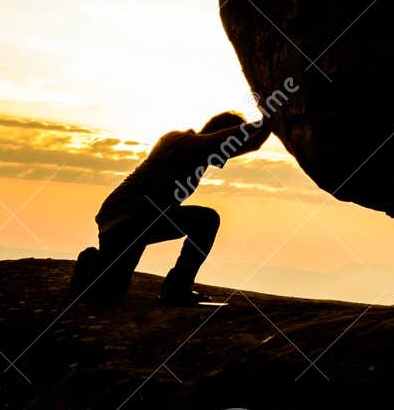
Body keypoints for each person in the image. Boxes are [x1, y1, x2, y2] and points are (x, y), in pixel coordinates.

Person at [71, 112, 272, 305]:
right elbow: (231, 137)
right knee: (207, 220)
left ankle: (91, 261)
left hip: (140, 221)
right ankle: (177, 288)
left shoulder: (200, 154)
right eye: (227, 151)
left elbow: (252, 144)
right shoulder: (179, 140)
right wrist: (266, 119)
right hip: (128, 217)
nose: (227, 158)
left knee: (112, 290)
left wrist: (273, 121)